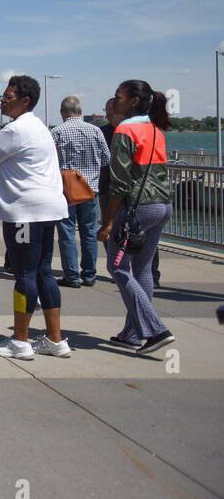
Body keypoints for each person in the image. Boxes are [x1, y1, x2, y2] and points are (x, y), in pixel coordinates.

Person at [0, 75, 70, 359]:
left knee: (24, 274)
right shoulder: (40, 127)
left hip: (24, 212)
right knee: (44, 272)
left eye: (8, 96)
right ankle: (55, 339)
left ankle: (20, 340)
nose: (2, 100)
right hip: (49, 208)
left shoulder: (15, 130)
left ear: (25, 101)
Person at [99, 80, 175, 354]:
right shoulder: (155, 128)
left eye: (118, 97)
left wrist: (108, 222)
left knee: (117, 267)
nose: (114, 101)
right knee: (142, 269)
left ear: (132, 101)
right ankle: (132, 333)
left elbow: (119, 182)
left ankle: (155, 330)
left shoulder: (125, 129)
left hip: (137, 209)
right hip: (162, 206)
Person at [51, 96, 110, 288]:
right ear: (80, 111)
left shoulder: (56, 132)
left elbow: (49, 161)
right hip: (90, 189)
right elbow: (107, 159)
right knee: (89, 232)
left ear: (62, 112)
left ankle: (71, 275)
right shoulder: (95, 131)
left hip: (66, 190)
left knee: (67, 232)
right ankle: (90, 275)